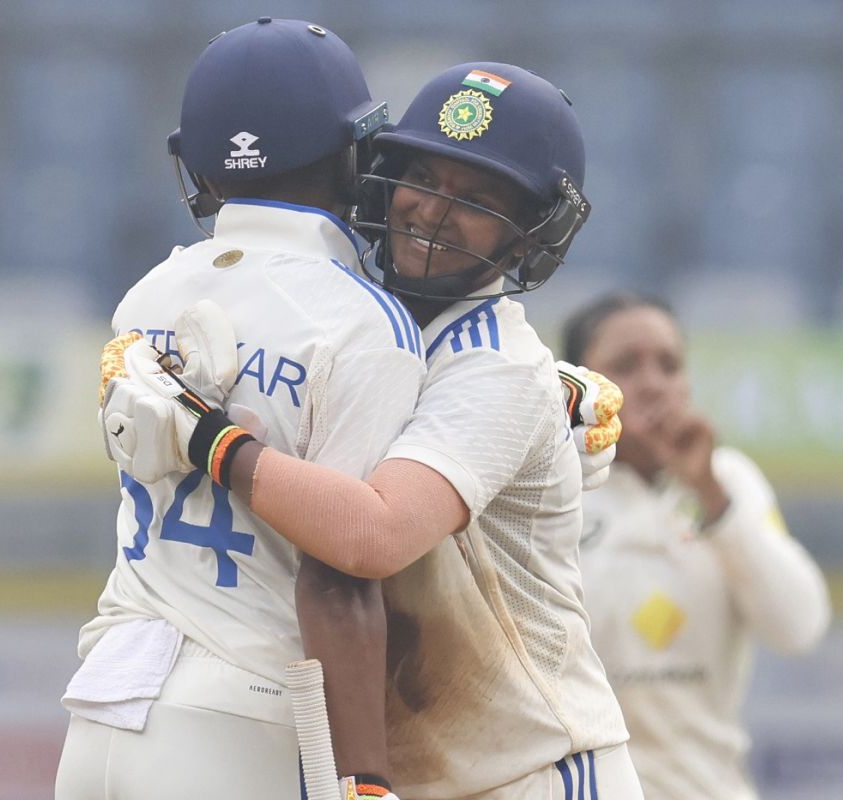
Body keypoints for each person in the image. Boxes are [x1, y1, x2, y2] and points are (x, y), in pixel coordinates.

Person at [126, 63, 642, 800]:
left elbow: (374, 536)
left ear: (533, 235)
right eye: (423, 178)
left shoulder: (499, 370)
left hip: (536, 772)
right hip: (435, 774)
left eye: (477, 200)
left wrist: (206, 438)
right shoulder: (363, 320)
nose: (432, 211)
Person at [54, 19, 423, 800]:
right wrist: (365, 781)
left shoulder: (147, 296)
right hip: (242, 718)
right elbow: (340, 574)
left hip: (102, 711)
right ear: (352, 152)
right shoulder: (362, 317)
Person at [562, 292, 831, 800]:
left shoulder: (728, 479)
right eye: (626, 365)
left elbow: (801, 626)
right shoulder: (553, 489)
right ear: (580, 385)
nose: (653, 383)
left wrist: (708, 492)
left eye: (669, 365)